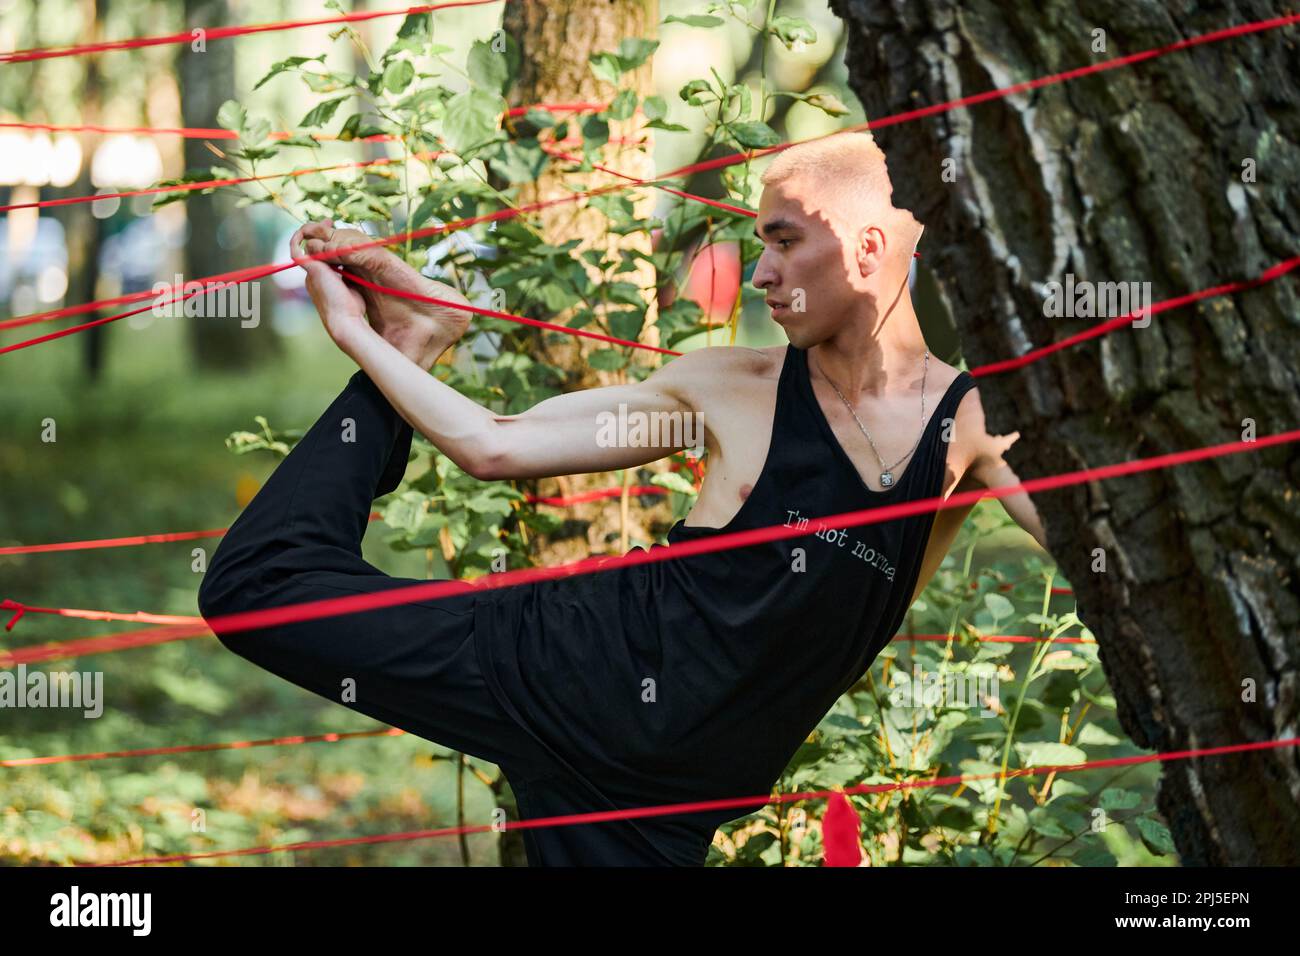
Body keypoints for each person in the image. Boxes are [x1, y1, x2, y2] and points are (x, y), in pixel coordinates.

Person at [197, 131, 1048, 866]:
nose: (759, 273)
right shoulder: (731, 386)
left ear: (867, 248)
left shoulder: (973, 424)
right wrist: (365, 336)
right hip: (565, 676)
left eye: (783, 243)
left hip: (661, 799)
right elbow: (496, 443)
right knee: (255, 591)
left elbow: (1100, 539)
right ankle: (419, 331)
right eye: (759, 244)